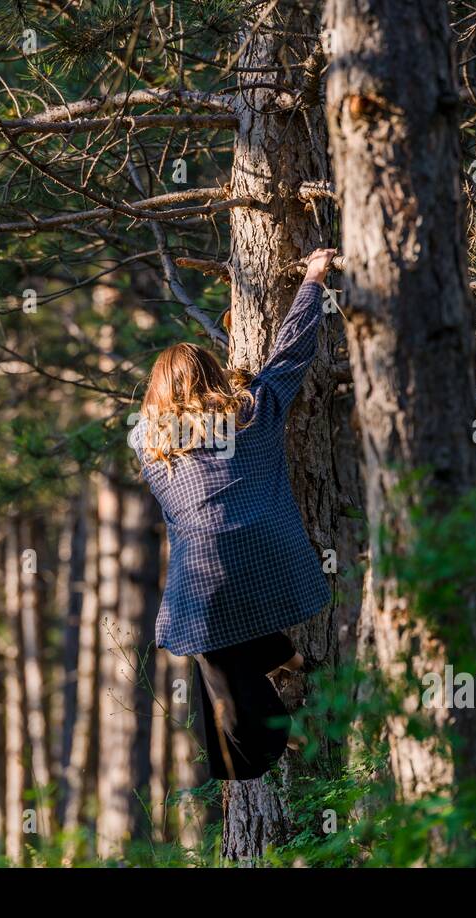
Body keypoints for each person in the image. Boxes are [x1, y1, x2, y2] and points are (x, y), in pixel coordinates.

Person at [127, 247, 336, 780]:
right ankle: (285, 656)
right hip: (270, 556)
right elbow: (290, 354)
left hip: (206, 579)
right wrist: (311, 278)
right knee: (223, 645)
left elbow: (162, 429)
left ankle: (263, 750)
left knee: (212, 661)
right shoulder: (253, 414)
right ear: (212, 373)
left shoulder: (149, 444)